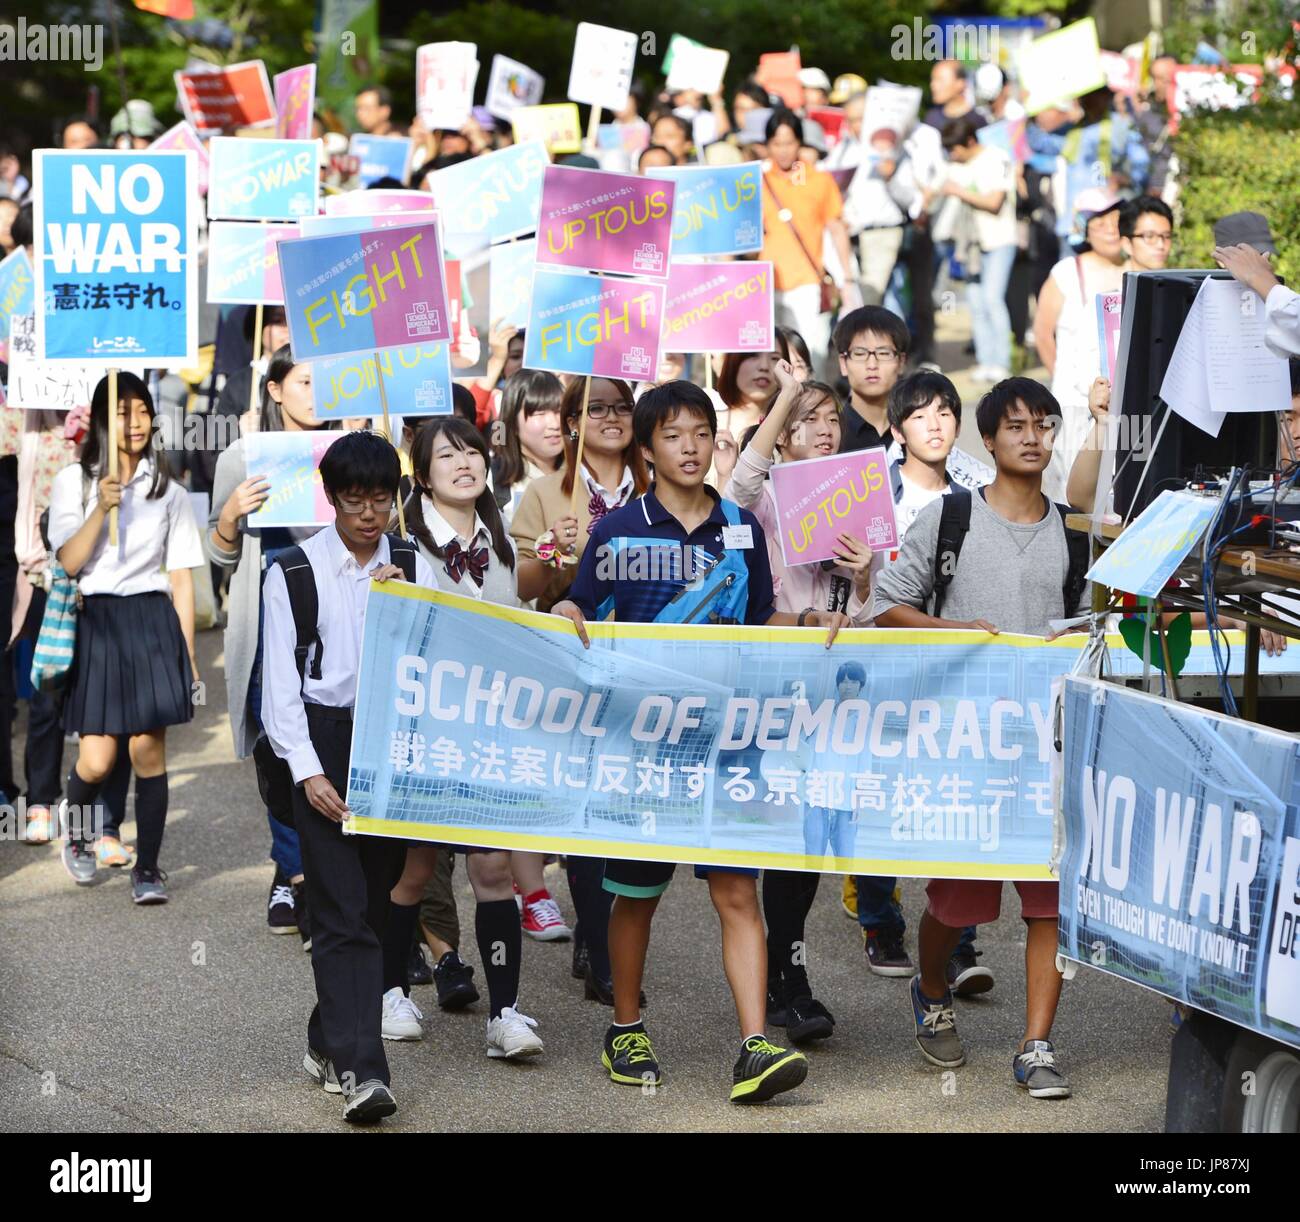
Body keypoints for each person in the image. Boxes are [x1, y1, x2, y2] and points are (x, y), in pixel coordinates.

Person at [552, 380, 850, 1103]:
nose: (689, 448)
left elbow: (760, 623)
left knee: (737, 890)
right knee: (637, 895)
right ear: (647, 447)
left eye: (701, 434)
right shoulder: (618, 530)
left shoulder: (742, 527)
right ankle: (626, 1027)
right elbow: (580, 606)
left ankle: (754, 1047)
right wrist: (563, 605)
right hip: (645, 743)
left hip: (729, 740)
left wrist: (807, 624)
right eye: (673, 435)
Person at [874, 377, 1091, 1100]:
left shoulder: (1078, 533)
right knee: (955, 906)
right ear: (989, 440)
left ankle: (1036, 1046)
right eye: (1016, 426)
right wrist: (954, 633)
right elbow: (886, 605)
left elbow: (1095, 632)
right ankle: (931, 986)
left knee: (1048, 905)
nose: (1032, 437)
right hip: (966, 752)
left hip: (1049, 753)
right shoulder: (949, 519)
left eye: (1044, 425)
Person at [262, 430, 432, 1123]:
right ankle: (365, 1069)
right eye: (356, 499)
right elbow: (280, 690)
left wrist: (408, 604)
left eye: (382, 499)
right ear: (330, 499)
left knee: (372, 905)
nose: (370, 514)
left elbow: (444, 648)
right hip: (322, 740)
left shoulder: (412, 562)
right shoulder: (292, 571)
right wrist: (307, 773)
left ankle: (325, 1036)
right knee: (337, 911)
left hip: (389, 740)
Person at [379, 417, 549, 1058]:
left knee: (494, 867)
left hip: (491, 729)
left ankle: (505, 1012)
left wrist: (553, 606)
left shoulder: (500, 538)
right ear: (420, 474)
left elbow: (516, 623)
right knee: (416, 869)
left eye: (473, 450)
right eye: (445, 454)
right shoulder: (400, 547)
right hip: (425, 728)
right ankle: (391, 992)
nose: (463, 463)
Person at [723, 361, 874, 1042]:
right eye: (805, 420)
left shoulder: (858, 504)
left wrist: (864, 574)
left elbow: (867, 615)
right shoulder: (762, 504)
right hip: (767, 688)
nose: (819, 429)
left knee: (809, 842)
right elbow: (739, 483)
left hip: (830, 696)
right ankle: (787, 978)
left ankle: (789, 973)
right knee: (775, 833)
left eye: (829, 420)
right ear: (782, 435)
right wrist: (785, 396)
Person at [509, 377, 650, 1003]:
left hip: (650, 669)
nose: (611, 418)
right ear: (571, 422)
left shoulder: (657, 490)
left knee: (629, 809)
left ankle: (609, 934)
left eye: (623, 408)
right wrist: (552, 549)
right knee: (589, 808)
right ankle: (598, 946)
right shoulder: (543, 494)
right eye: (596, 408)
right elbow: (521, 584)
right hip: (576, 667)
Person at [857, 371, 994, 988]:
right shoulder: (867, 491)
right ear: (897, 429)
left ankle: (960, 940)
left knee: (952, 793)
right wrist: (862, 577)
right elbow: (859, 594)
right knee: (880, 794)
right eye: (919, 415)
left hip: (954, 672)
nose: (934, 424)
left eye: (945, 412)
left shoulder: (978, 490)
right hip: (883, 665)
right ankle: (881, 918)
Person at [48, 373, 203, 903]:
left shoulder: (170, 490)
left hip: (153, 623)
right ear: (98, 419)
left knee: (148, 752)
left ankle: (149, 869)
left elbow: (181, 577)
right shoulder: (75, 482)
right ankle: (79, 832)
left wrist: (189, 658)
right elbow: (68, 563)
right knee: (96, 759)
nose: (134, 422)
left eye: (141, 411)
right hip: (99, 623)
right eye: (121, 411)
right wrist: (101, 508)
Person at [206, 347, 340, 941]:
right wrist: (233, 515)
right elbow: (218, 554)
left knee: (326, 738)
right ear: (277, 389)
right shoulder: (244, 455)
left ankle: (318, 877)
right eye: (304, 381)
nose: (315, 393)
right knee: (275, 749)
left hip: (335, 627)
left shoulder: (355, 449)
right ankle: (292, 869)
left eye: (325, 382)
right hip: (267, 627)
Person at [1032, 192, 1125, 502]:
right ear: (1084, 228)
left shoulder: (1132, 270)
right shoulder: (1066, 273)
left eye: (1117, 221)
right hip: (1071, 406)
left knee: (1116, 491)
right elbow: (1043, 334)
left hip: (1118, 405)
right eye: (1101, 223)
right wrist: (1066, 384)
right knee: (1072, 497)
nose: (1112, 229)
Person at [760, 109, 859, 374]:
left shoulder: (819, 179)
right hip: (763, 282)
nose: (783, 150)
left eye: (789, 143)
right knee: (768, 357)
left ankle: (812, 411)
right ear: (767, 144)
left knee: (807, 355)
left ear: (800, 143)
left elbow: (836, 228)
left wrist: (847, 278)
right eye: (776, 143)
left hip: (806, 281)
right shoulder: (753, 180)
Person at [932, 115, 1017, 383]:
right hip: (969, 246)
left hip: (999, 239)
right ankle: (985, 360)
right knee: (976, 303)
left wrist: (959, 192)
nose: (952, 154)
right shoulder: (955, 165)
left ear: (969, 141)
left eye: (955, 148)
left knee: (992, 299)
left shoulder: (997, 158)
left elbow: (994, 201)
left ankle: (1002, 361)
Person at [825, 93, 908, 308]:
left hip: (882, 232)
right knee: (872, 300)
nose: (856, 125)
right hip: (850, 234)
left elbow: (912, 200)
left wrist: (891, 176)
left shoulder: (894, 147)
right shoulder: (843, 149)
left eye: (861, 118)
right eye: (851, 119)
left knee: (869, 299)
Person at [834, 306, 910, 454]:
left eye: (883, 353)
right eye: (860, 354)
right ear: (843, 363)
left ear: (901, 362)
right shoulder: (829, 436)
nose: (872, 365)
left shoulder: (917, 430)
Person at [491, 369, 564, 520]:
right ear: (513, 422)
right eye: (539, 413)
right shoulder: (491, 480)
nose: (554, 424)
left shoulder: (584, 475)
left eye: (559, 411)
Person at [467, 321, 525, 431]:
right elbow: (470, 418)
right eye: (516, 356)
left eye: (528, 356)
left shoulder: (552, 395)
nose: (523, 363)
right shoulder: (495, 401)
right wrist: (498, 358)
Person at [923, 61, 984, 132]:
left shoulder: (978, 122)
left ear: (961, 83)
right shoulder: (932, 119)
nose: (933, 85)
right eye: (932, 80)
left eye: (940, 80)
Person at [1119, 195, 1174, 272]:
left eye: (1167, 236)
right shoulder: (1109, 282)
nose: (1161, 245)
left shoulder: (1179, 283)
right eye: (1150, 236)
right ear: (1127, 244)